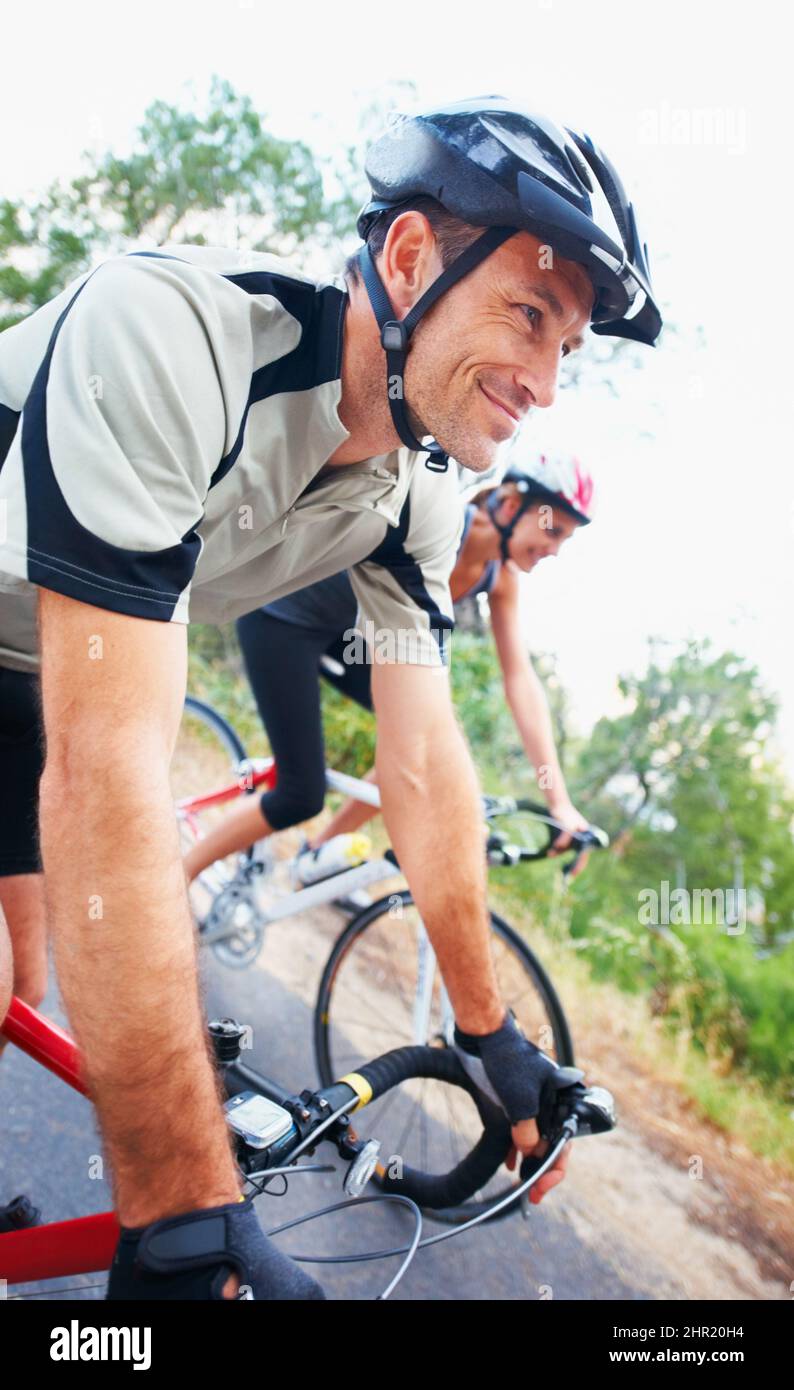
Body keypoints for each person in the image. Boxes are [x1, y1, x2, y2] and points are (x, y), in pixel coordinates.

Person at [0, 97, 661, 1299]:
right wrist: (181, 1212)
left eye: (568, 347)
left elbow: (422, 763)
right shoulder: (174, 336)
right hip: (31, 648)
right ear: (408, 259)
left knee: (25, 969)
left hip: (26, 668)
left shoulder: (420, 493)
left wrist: (488, 1031)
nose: (547, 382)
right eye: (530, 313)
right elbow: (108, 771)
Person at [184, 452, 596, 892]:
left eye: (565, 541)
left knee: (422, 740)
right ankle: (175, 877)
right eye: (552, 530)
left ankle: (315, 856)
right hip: (284, 623)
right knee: (300, 795)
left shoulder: (501, 577)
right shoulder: (441, 525)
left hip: (350, 643)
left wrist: (559, 801)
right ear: (512, 506)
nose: (554, 550)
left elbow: (520, 680)